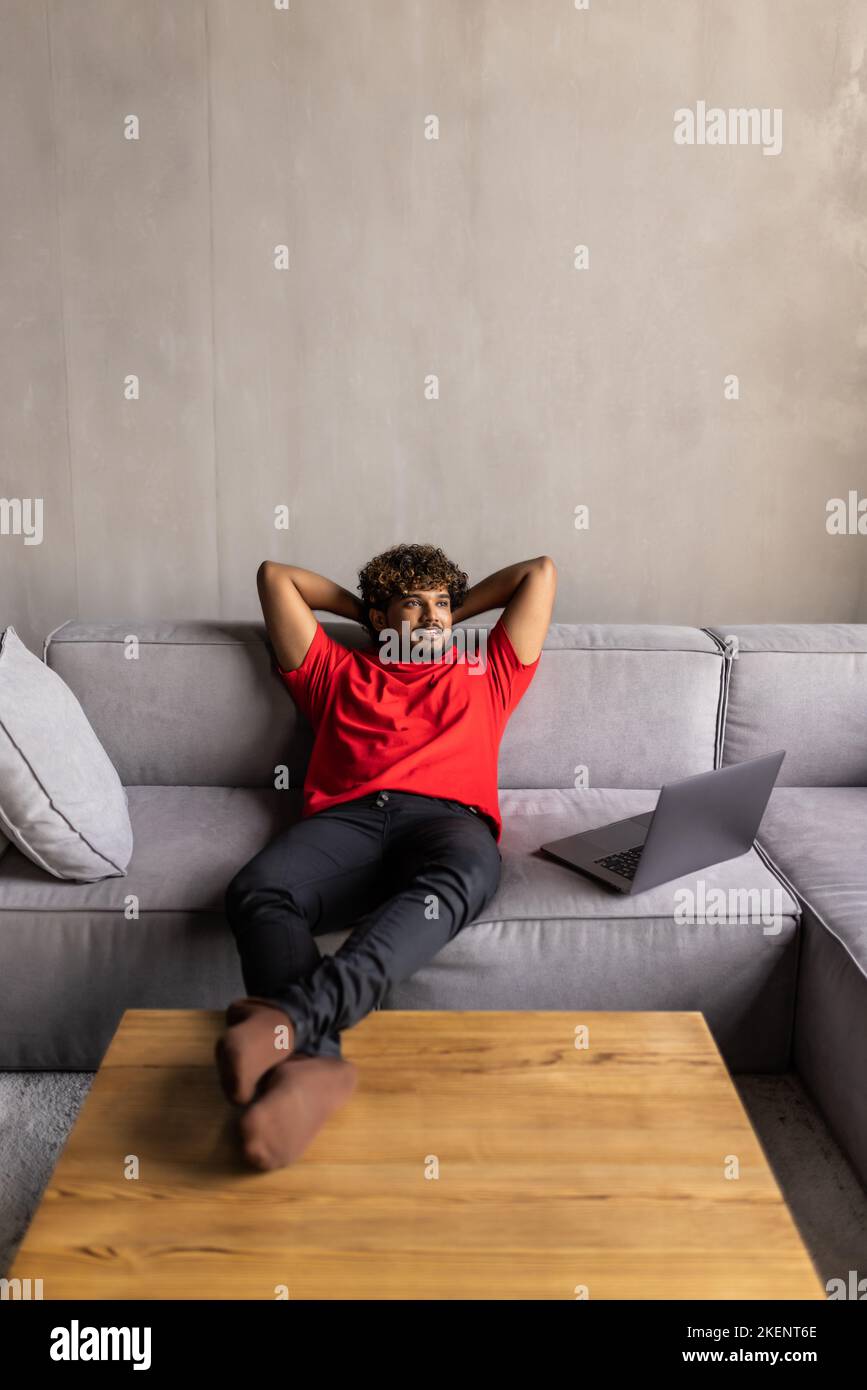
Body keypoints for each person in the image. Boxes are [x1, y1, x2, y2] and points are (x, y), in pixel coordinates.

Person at [216, 542, 557, 1169]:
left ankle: (294, 1018)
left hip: (447, 824)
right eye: (414, 604)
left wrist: (445, 607)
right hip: (347, 823)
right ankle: (315, 1069)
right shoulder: (334, 672)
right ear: (377, 619)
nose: (432, 617)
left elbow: (538, 572)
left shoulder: (489, 670)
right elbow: (275, 575)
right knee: (258, 888)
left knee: (470, 872)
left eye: (442, 605)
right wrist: (368, 608)